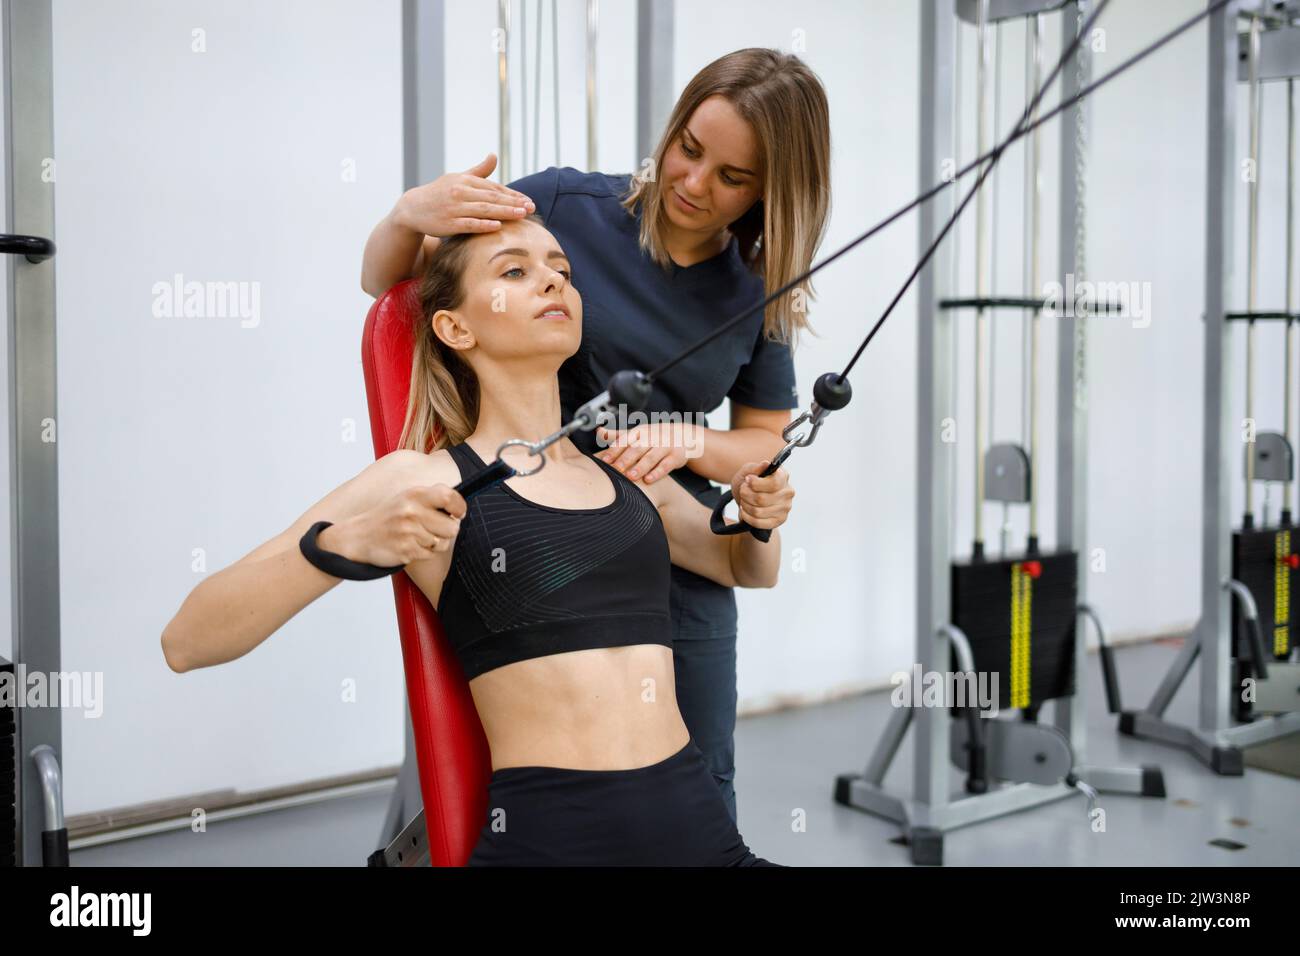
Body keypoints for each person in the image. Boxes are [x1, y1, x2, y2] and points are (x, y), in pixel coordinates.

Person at [162, 214, 797, 865]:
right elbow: (188, 640)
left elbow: (745, 567)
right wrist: (348, 544)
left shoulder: (623, 465)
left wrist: (759, 516)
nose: (552, 281)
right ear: (455, 327)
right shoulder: (423, 480)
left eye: (562, 271)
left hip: (702, 838)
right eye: (516, 272)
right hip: (555, 845)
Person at [361, 47, 831, 823]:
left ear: (768, 192)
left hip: (677, 548)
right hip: (537, 539)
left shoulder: (758, 288)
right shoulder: (564, 210)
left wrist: (689, 444)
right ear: (673, 128)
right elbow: (394, 289)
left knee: (698, 792)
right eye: (689, 149)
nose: (692, 183)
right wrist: (407, 215)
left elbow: (762, 445)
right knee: (534, 787)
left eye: (731, 178)